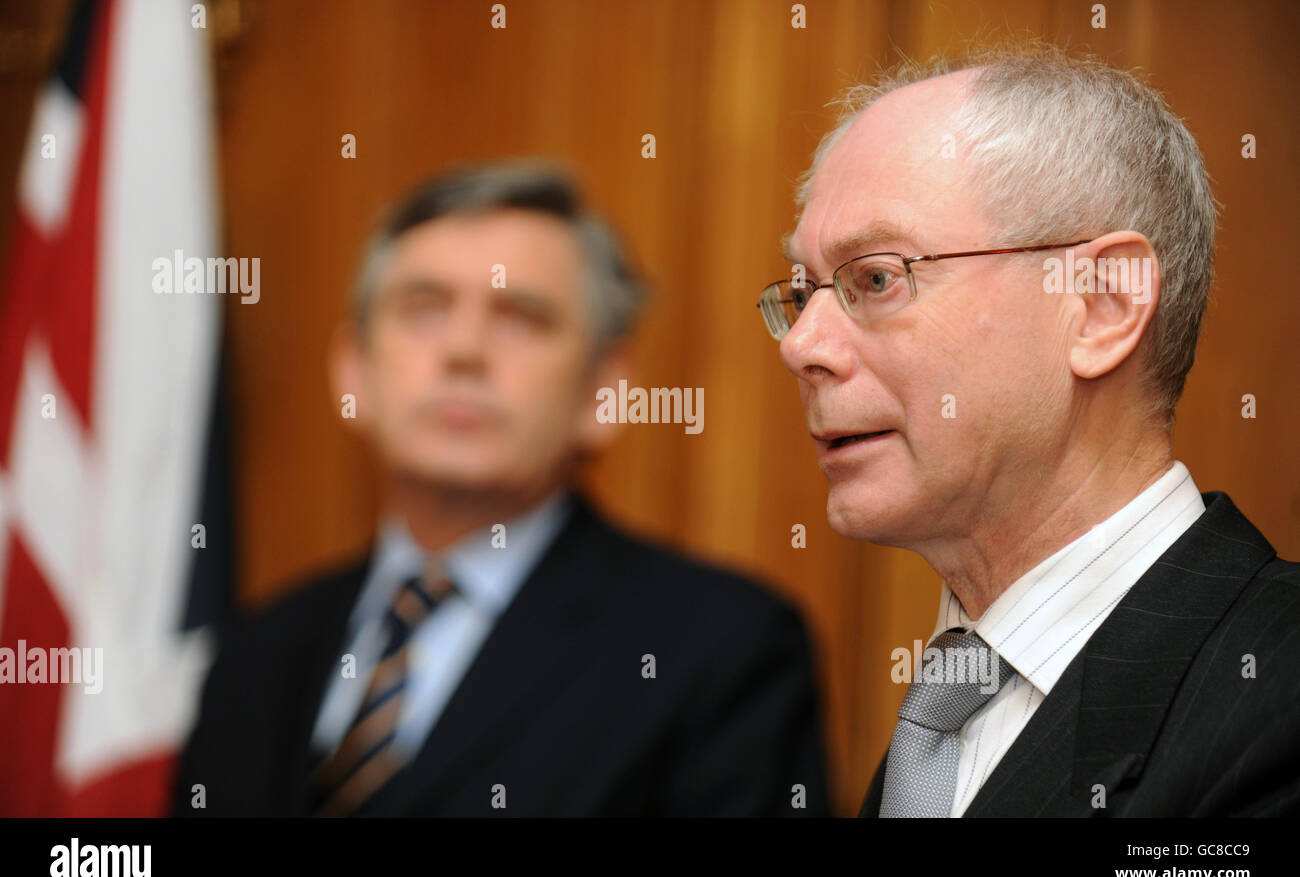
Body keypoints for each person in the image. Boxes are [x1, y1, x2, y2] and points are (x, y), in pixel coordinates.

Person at [175, 161, 829, 817]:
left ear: (605, 389)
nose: (464, 349)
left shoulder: (719, 652)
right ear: (354, 374)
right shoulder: (256, 650)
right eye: (424, 310)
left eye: (521, 316)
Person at [758, 47, 1299, 817]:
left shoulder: (1275, 694)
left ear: (1101, 305)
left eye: (875, 279)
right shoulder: (950, 704)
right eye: (805, 291)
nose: (801, 346)